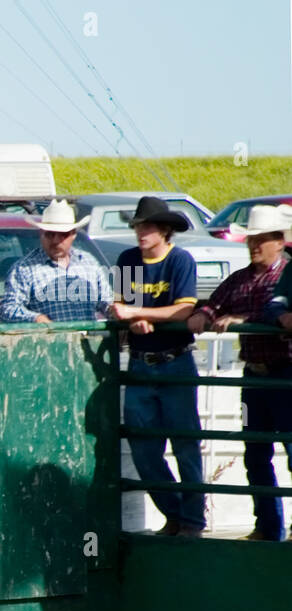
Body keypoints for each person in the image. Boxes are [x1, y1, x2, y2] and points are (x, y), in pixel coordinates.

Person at [108, 196, 204, 538]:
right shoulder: (129, 260)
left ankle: (191, 521)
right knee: (145, 451)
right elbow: (121, 308)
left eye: (147, 226)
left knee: (185, 445)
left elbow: (183, 311)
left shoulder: (179, 260)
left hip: (174, 361)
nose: (140, 232)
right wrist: (131, 319)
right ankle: (177, 513)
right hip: (141, 364)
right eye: (138, 226)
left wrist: (137, 314)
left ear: (165, 230)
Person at [199, 204, 292, 540]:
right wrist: (205, 314)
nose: (254, 245)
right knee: (256, 454)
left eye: (262, 239)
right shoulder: (240, 279)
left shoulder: (286, 277)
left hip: (285, 373)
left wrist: (242, 321)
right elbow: (213, 303)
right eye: (251, 239)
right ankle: (268, 526)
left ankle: (275, 526)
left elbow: (275, 312)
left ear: (279, 241)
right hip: (254, 376)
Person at [0, 199, 113, 323]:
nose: (56, 240)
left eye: (63, 234)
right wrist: (36, 318)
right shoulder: (24, 269)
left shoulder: (89, 262)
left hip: (87, 340)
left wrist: (114, 311)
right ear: (41, 233)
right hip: (48, 341)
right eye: (50, 234)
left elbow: (106, 300)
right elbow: (7, 310)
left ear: (73, 234)